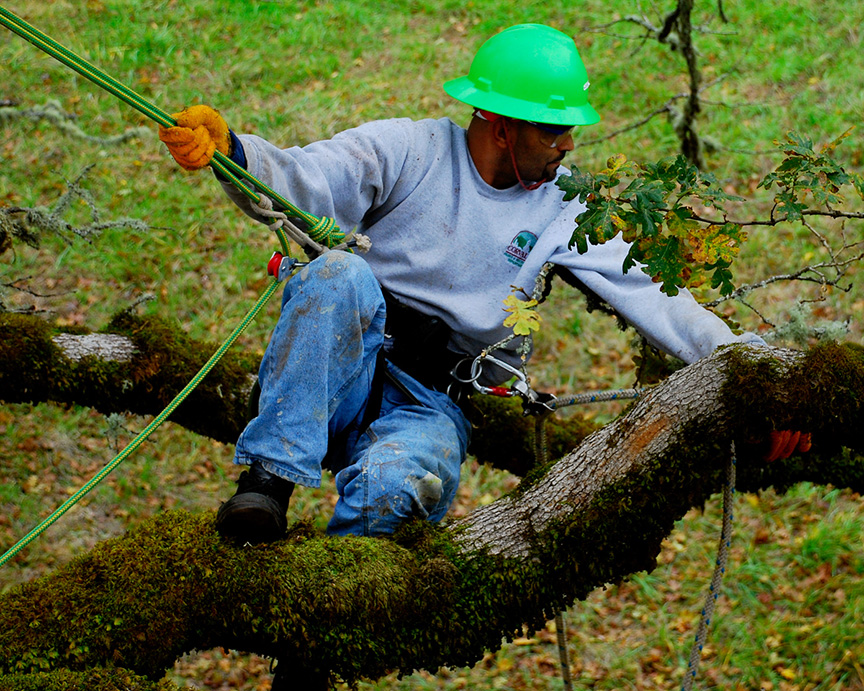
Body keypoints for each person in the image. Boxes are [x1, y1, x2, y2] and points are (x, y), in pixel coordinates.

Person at [158, 24, 804, 545]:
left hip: (430, 400)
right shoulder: (408, 150)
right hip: (343, 361)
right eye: (553, 129)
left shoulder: (568, 209)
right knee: (336, 270)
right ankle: (267, 484)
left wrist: (754, 373)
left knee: (404, 490)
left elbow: (657, 296)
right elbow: (303, 182)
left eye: (569, 129)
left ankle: (323, 623)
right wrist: (233, 151)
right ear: (500, 125)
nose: (567, 144)